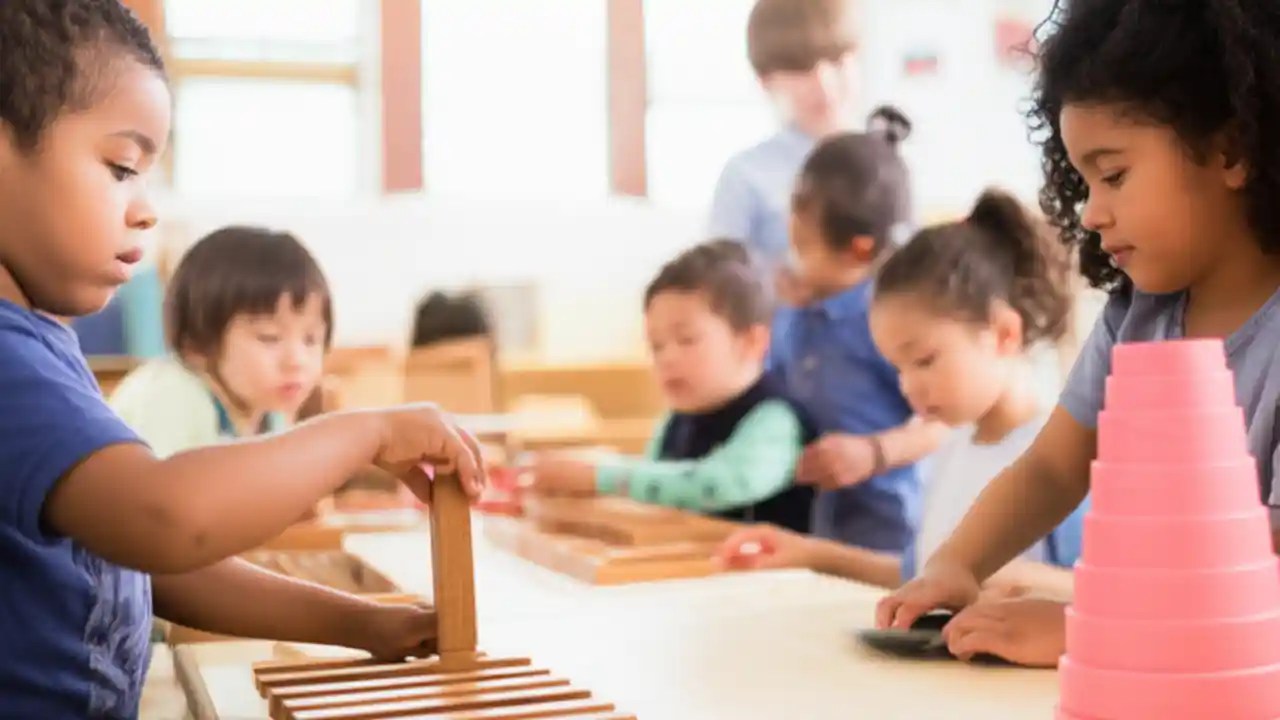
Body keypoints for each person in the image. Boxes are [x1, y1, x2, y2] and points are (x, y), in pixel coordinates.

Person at [0, 3, 483, 715]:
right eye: (122, 166)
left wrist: (362, 624)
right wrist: (364, 434)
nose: (145, 210)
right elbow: (166, 519)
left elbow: (150, 565)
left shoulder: (42, 346)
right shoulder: (7, 361)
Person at [876, 0, 1280, 668]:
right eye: (1082, 180)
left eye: (1114, 174)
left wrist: (1096, 624)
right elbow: (1053, 467)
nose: (1091, 212)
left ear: (1230, 150)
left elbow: (1261, 572)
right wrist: (955, 562)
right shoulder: (1137, 317)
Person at [720, 189, 1084, 597]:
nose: (908, 386)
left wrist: (1027, 583)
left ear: (1002, 333)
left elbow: (1120, 597)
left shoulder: (1063, 456)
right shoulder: (952, 446)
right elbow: (921, 577)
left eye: (925, 360)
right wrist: (811, 554)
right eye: (898, 368)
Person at [528, 240, 815, 531]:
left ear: (751, 342)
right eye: (656, 346)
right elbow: (653, 489)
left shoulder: (775, 418)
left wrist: (599, 478)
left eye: (687, 340)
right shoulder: (674, 420)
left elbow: (718, 485)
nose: (668, 358)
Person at [771, 107, 946, 552]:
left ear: (859, 251)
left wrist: (873, 453)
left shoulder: (886, 320)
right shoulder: (795, 311)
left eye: (805, 248)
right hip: (810, 525)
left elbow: (942, 424)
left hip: (887, 531)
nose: (793, 260)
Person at [110, 227, 330, 457]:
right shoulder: (171, 395)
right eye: (269, 337)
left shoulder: (269, 413)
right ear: (198, 342)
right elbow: (156, 490)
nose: (297, 360)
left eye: (311, 339)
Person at [708, 0, 862, 302]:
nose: (824, 83)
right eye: (800, 69)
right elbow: (719, 284)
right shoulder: (746, 175)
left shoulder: (886, 161)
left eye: (836, 60)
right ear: (765, 81)